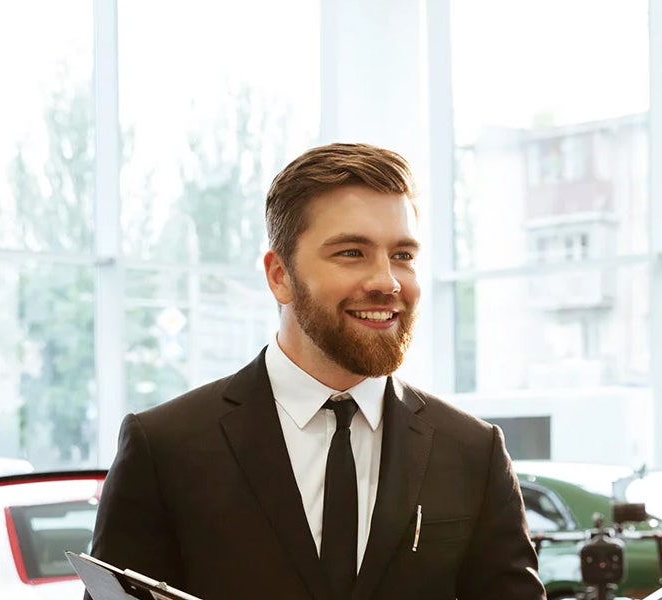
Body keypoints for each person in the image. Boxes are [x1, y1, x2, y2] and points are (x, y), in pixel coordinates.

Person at [90, 143, 545, 600]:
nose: (387, 281)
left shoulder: (472, 451)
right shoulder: (165, 448)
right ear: (280, 275)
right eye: (352, 252)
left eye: (403, 255)